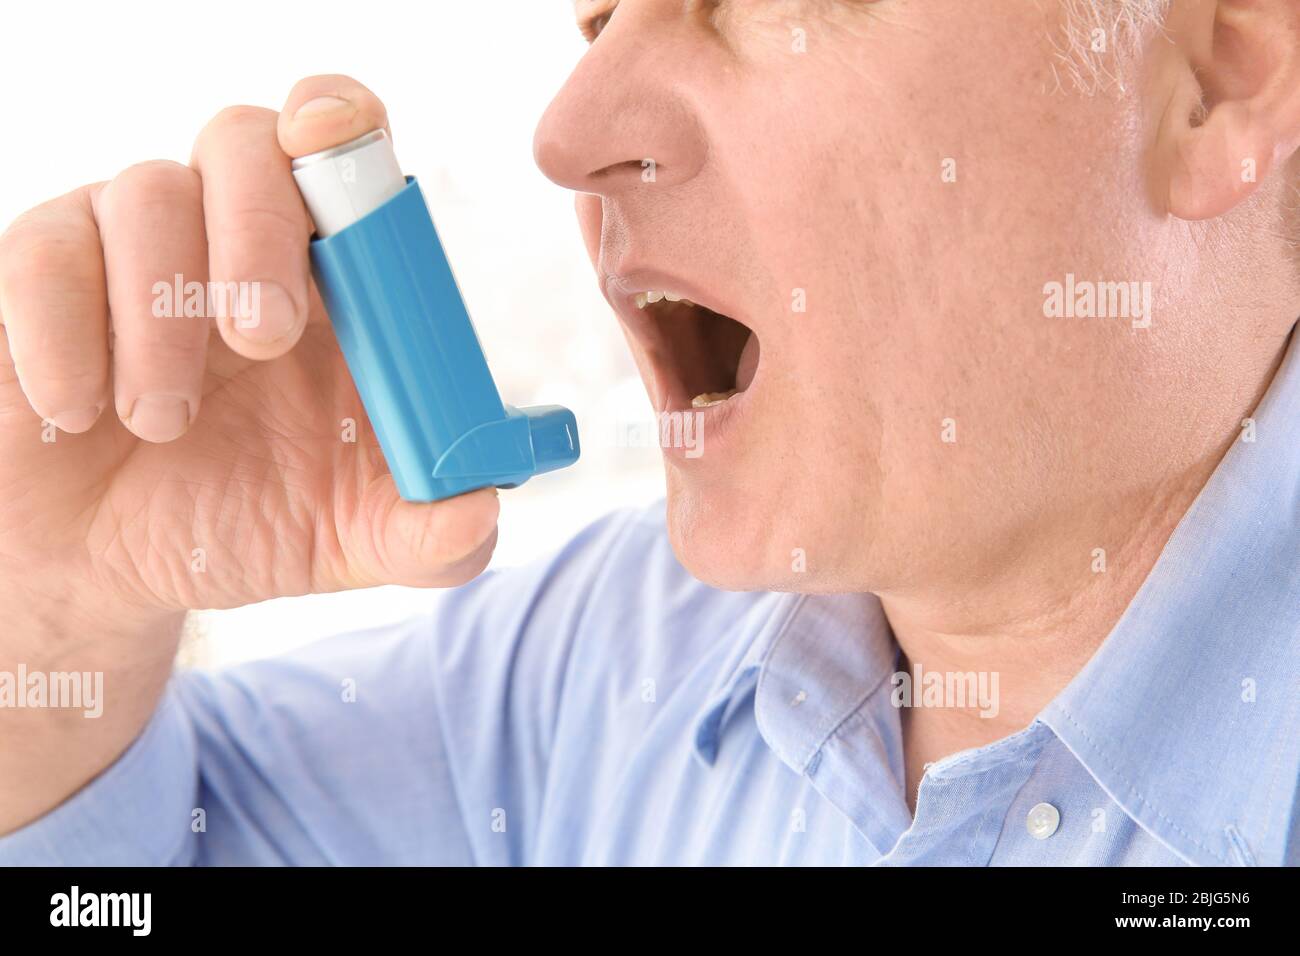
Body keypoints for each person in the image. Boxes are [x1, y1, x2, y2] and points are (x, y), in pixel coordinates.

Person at [0, 0, 1296, 866]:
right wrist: (52, 615)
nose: (565, 136)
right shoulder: (584, 676)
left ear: (1220, 76)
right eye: (600, 13)